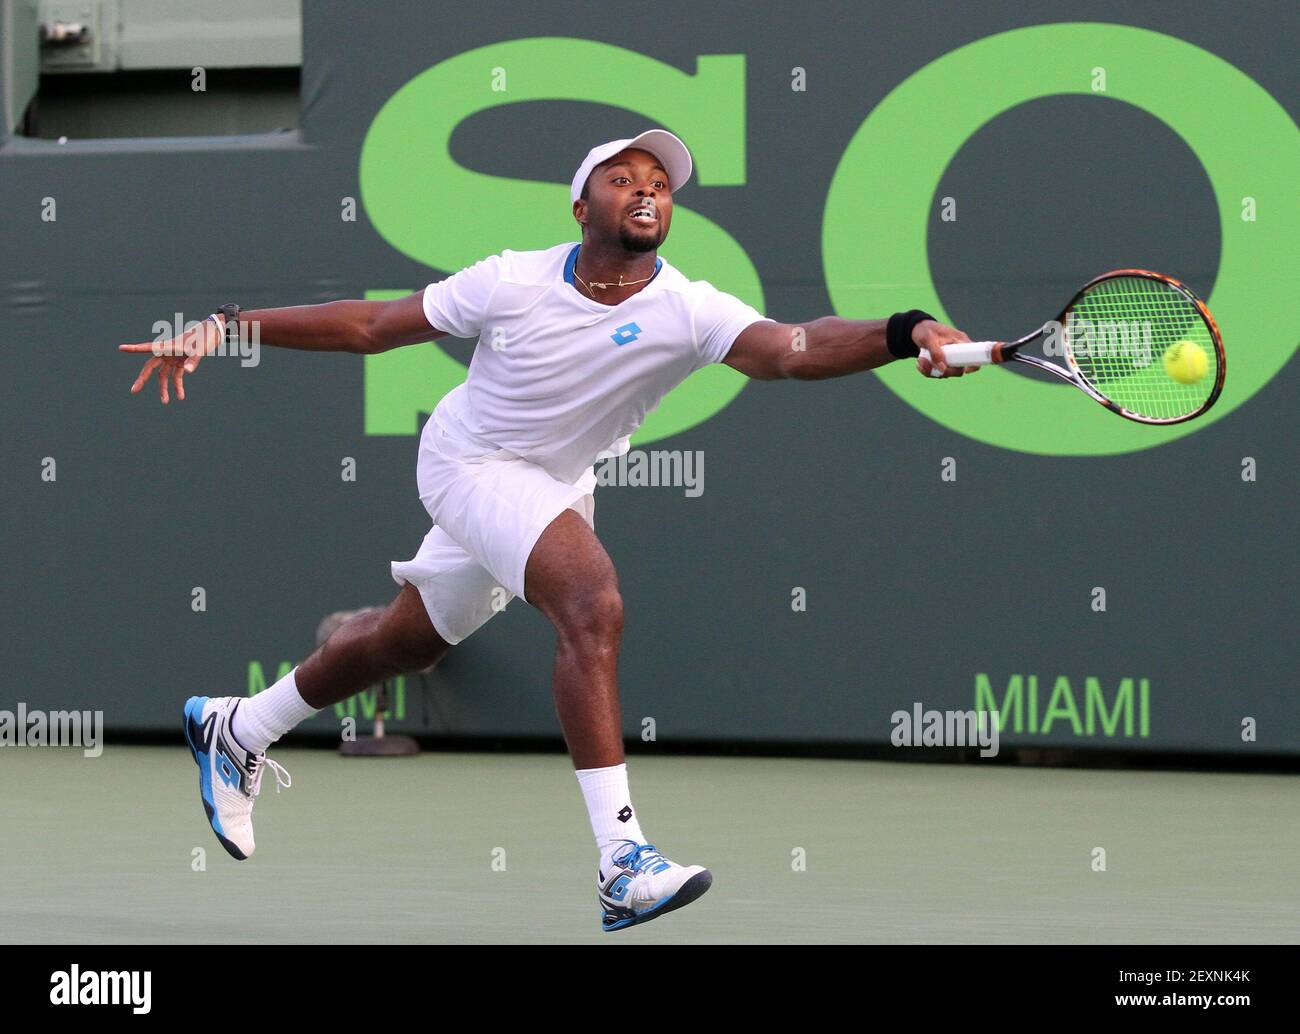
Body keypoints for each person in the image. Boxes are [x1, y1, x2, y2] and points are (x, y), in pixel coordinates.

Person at [121, 129, 976, 932]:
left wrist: (903, 333)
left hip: (556, 487)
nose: (647, 191)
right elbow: (373, 327)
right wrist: (232, 325)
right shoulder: (512, 280)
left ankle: (238, 727)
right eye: (623, 179)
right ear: (581, 207)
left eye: (659, 185)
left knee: (405, 643)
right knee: (591, 603)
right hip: (468, 463)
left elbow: (792, 346)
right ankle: (620, 860)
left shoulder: (689, 305)